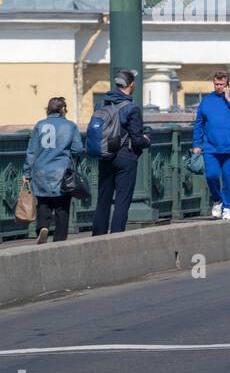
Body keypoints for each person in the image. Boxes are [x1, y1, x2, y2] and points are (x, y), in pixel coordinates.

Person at [92, 71, 151, 235]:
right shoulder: (131, 109)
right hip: (125, 158)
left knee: (103, 199)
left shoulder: (101, 104)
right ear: (131, 85)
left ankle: (97, 236)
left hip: (105, 155)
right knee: (122, 201)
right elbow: (138, 140)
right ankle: (117, 235)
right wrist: (147, 139)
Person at [22, 97, 84, 244]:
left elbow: (32, 151)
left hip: (41, 171)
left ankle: (43, 227)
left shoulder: (39, 125)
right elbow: (78, 149)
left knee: (43, 203)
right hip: (62, 172)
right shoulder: (70, 126)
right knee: (62, 208)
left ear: (48, 109)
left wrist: (26, 173)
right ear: (63, 109)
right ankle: (59, 240)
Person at [192, 70, 230, 221]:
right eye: (216, 84)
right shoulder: (206, 101)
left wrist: (229, 99)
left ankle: (227, 207)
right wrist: (196, 144)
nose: (218, 87)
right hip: (211, 147)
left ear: (227, 84)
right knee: (211, 175)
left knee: (229, 178)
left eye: (221, 84)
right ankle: (217, 200)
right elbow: (199, 124)